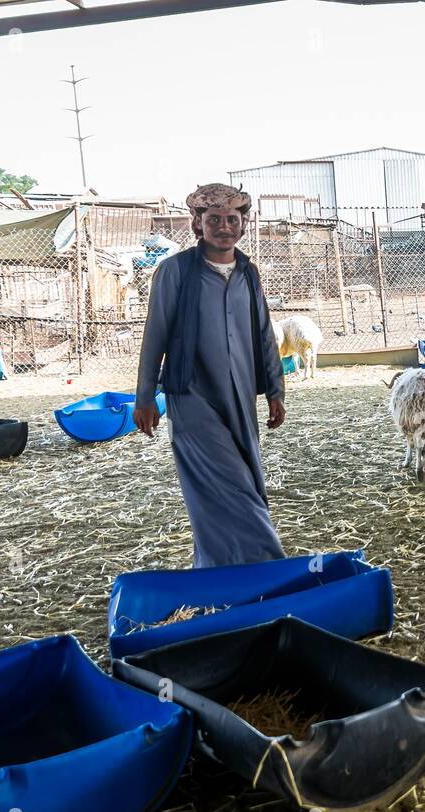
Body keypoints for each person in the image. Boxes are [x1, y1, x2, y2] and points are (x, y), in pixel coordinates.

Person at [134, 184, 288, 568]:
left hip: (239, 397)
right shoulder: (175, 271)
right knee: (226, 485)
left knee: (247, 479)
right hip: (191, 396)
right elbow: (155, 335)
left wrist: (274, 388)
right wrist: (144, 396)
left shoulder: (248, 273)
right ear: (196, 224)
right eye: (214, 219)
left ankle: (218, 571)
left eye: (232, 219)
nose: (224, 227)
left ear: (243, 225)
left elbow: (264, 333)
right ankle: (269, 565)